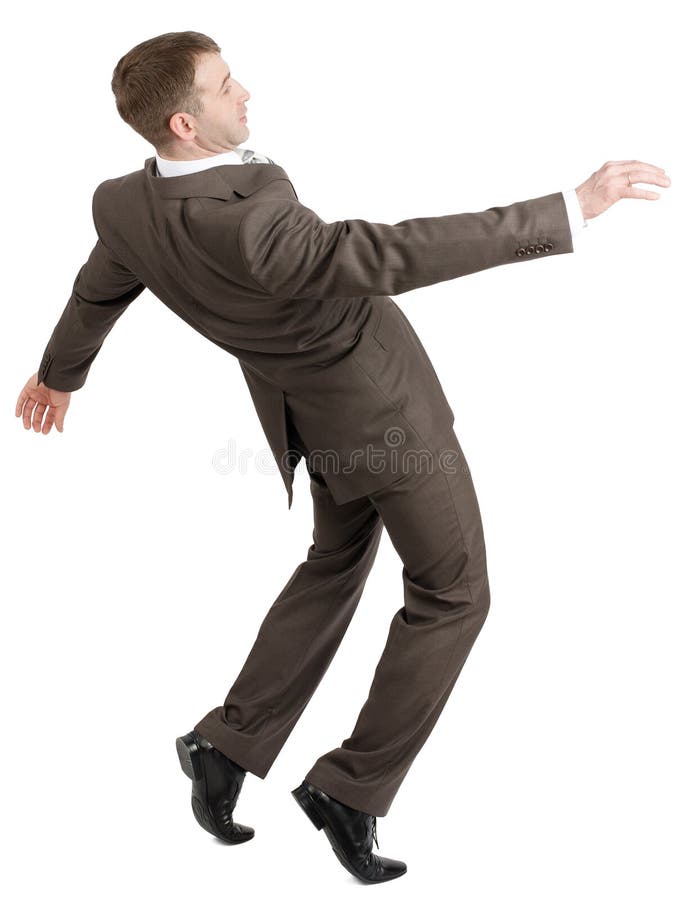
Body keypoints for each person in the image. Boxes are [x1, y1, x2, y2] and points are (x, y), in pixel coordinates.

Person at [15, 30, 670, 885]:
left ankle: (225, 744)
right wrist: (567, 210)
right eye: (223, 85)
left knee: (334, 562)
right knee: (454, 592)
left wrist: (59, 373)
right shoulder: (255, 221)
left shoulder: (124, 204)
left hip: (306, 414)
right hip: (385, 416)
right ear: (183, 122)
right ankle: (352, 790)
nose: (244, 91)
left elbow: (102, 280)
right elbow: (391, 253)